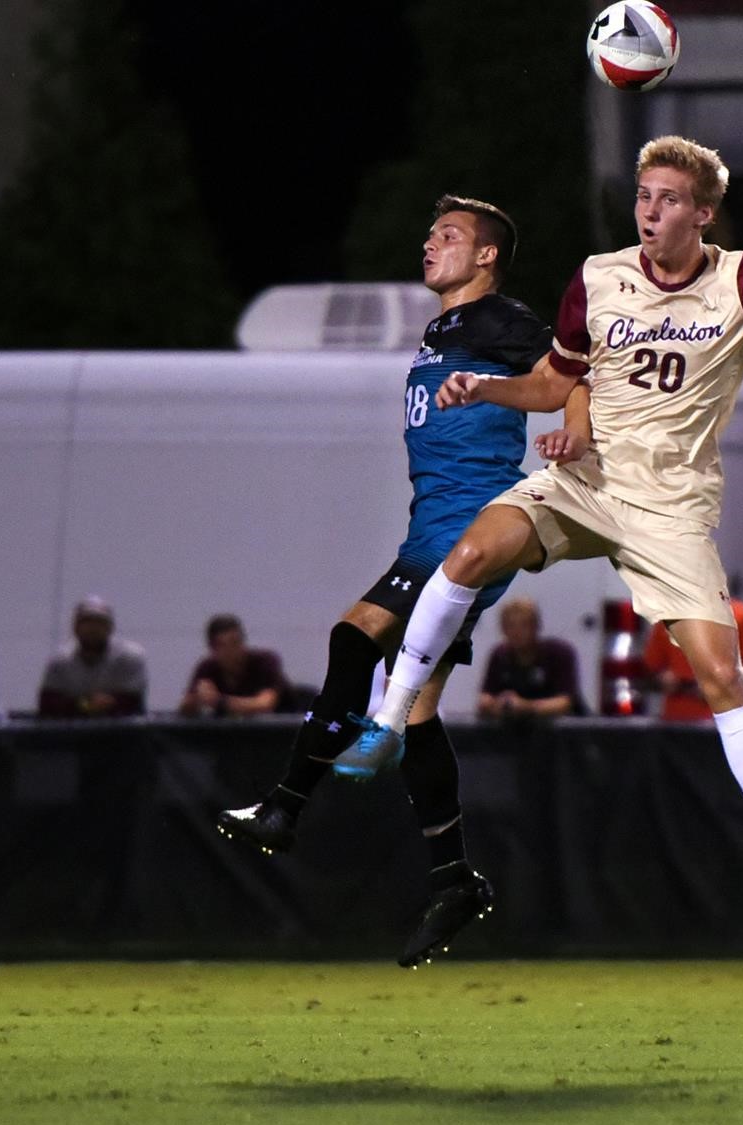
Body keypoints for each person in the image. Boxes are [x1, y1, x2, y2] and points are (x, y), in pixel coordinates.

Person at [337, 135, 743, 921]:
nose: (650, 211)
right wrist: (488, 387)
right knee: (474, 548)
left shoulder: (741, 280)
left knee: (723, 674)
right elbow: (556, 383)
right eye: (644, 197)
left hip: (671, 510)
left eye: (669, 199)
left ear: (704, 214)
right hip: (588, 485)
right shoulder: (599, 278)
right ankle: (388, 718)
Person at [214, 194, 592, 968]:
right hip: (429, 532)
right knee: (417, 711)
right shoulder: (442, 329)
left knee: (354, 635)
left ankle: (286, 808)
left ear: (487, 256)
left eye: (448, 235)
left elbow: (569, 371)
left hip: (465, 539)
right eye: (429, 232)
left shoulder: (500, 320)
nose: (431, 243)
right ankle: (454, 877)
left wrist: (575, 425)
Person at [643, 587, 743, 722]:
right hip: (677, 724)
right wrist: (663, 680)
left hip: (731, 723)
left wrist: (720, 688)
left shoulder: (742, 617)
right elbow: (647, 675)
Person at [37, 596, 149, 718]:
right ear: (75, 627)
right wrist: (86, 704)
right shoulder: (61, 660)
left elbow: (133, 702)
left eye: (99, 623)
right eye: (87, 622)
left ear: (110, 628)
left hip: (124, 732)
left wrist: (105, 704)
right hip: (71, 732)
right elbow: (48, 703)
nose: (93, 628)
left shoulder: (129, 656)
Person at [477, 596, 583, 722]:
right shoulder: (500, 656)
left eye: (523, 625)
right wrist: (496, 704)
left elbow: (564, 703)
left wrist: (525, 706)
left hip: (561, 731)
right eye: (510, 626)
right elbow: (485, 697)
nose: (516, 632)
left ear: (536, 626)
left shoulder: (559, 653)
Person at [179, 614, 291, 718]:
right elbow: (184, 709)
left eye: (236, 643)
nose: (232, 651)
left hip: (291, 723)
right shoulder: (207, 668)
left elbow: (265, 704)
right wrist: (197, 698)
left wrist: (219, 701)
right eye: (223, 646)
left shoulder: (265, 661)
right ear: (212, 649)